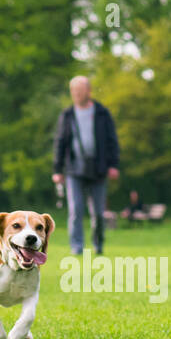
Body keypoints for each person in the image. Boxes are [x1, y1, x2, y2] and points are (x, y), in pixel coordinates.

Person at [52, 76, 119, 255]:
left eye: (80, 91)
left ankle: (98, 244)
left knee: (98, 212)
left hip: (99, 168)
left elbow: (112, 140)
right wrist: (57, 170)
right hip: (74, 169)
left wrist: (113, 165)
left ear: (88, 91)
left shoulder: (102, 113)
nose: (76, 94)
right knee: (76, 210)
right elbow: (60, 142)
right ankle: (77, 247)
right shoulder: (67, 115)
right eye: (74, 91)